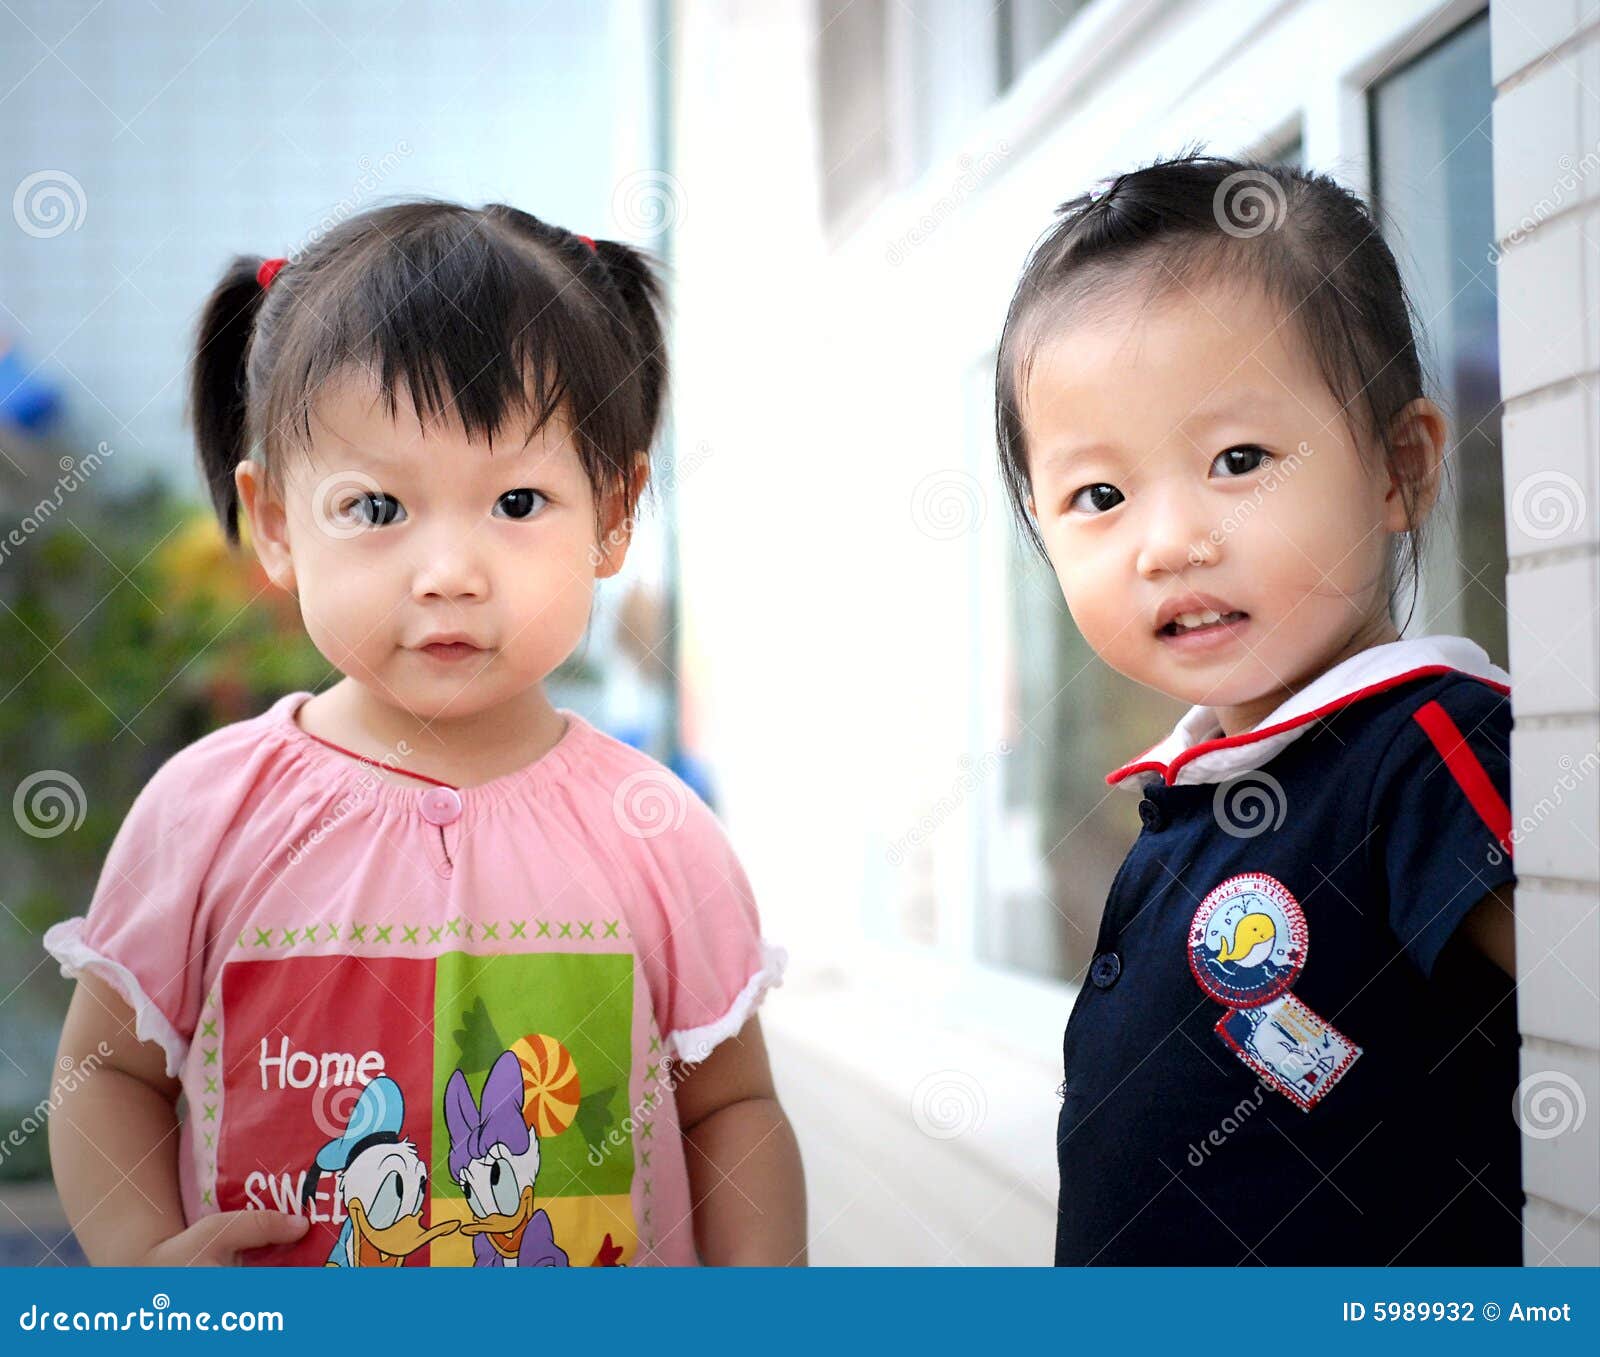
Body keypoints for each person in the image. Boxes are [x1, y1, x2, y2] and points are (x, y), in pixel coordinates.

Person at [44, 199, 806, 1267]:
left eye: (518, 500)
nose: (449, 571)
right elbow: (112, 1077)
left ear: (616, 514)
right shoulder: (204, 814)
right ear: (275, 526)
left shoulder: (656, 828)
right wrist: (143, 1266)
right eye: (376, 509)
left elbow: (732, 1109)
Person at [994, 152, 1521, 1264]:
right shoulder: (1191, 796)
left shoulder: (1425, 745)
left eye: (1239, 459)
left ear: (1398, 470)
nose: (1170, 540)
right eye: (1099, 495)